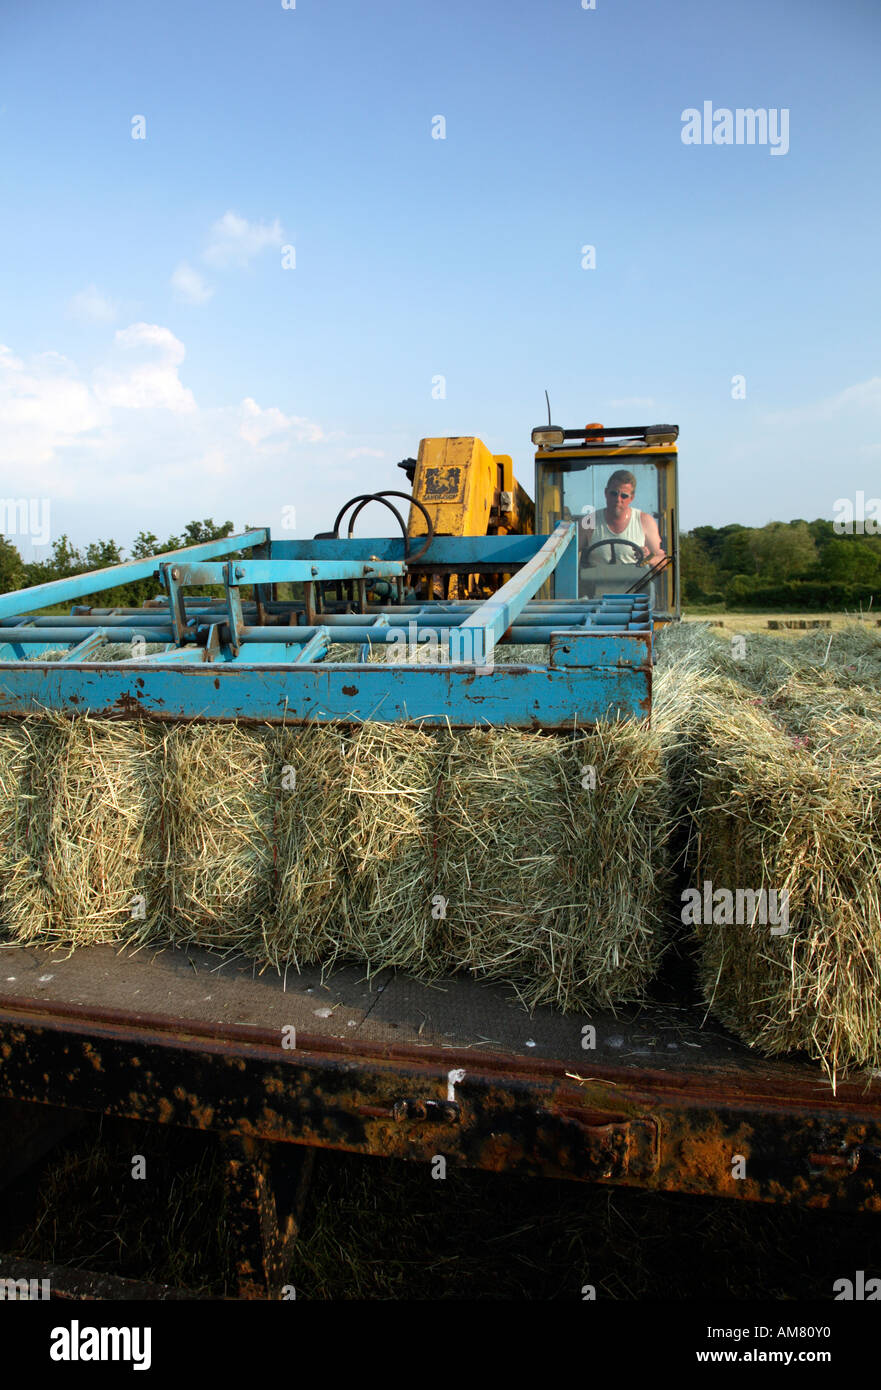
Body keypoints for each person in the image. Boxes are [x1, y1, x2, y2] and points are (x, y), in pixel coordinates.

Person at [579, 470, 665, 566]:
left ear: (631, 498)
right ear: (606, 493)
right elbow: (569, 556)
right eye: (614, 493)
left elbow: (662, 560)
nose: (618, 499)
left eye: (624, 496)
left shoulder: (645, 521)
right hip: (595, 580)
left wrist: (648, 558)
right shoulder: (589, 522)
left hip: (638, 581)